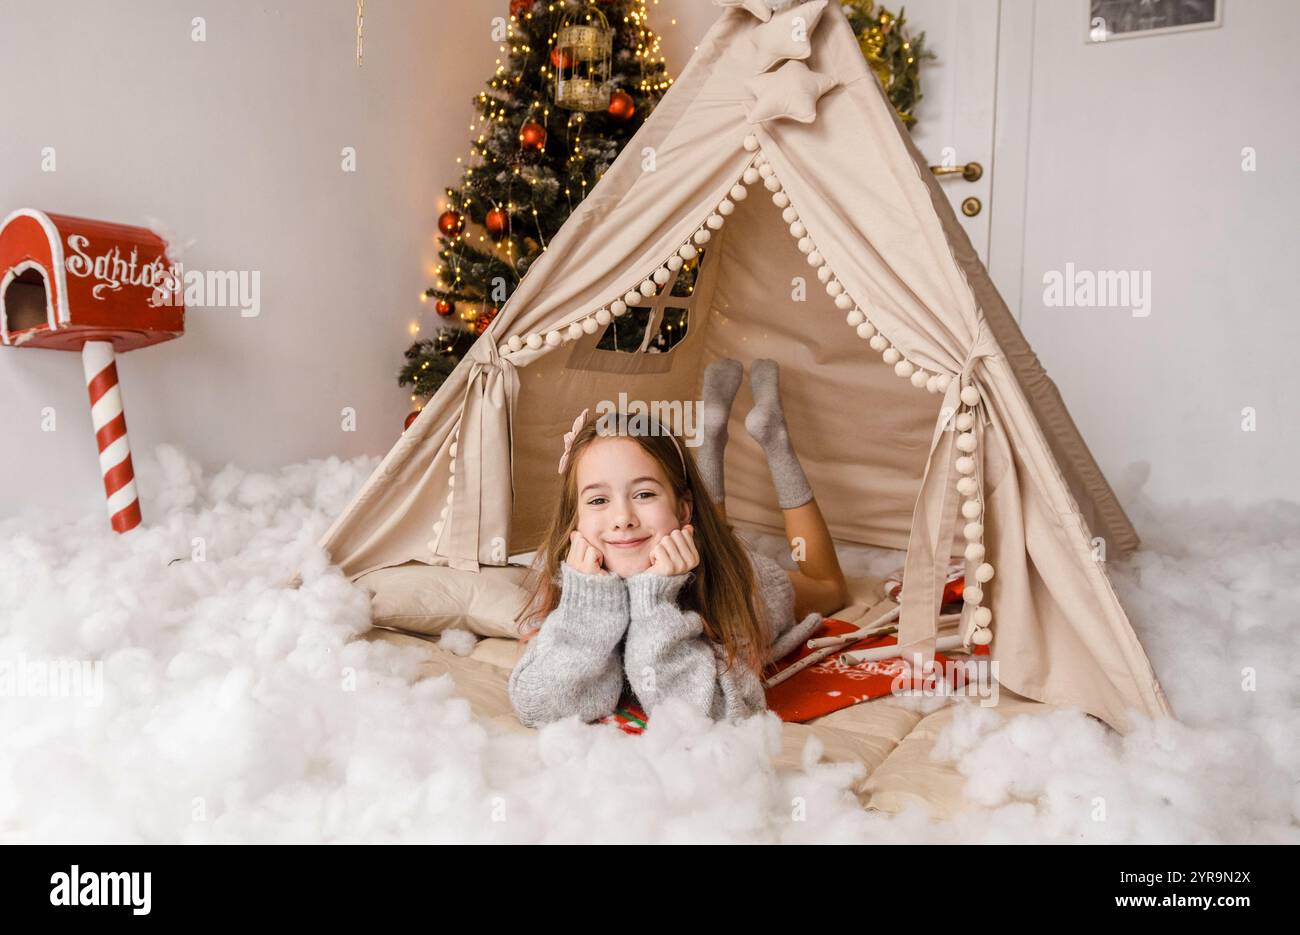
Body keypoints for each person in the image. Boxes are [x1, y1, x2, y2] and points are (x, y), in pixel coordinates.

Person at [508, 358, 849, 728]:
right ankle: (711, 432)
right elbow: (536, 706)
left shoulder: (736, 591)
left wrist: (655, 602)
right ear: (575, 519)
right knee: (685, 524)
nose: (622, 518)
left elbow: (716, 716)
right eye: (598, 500)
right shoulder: (577, 580)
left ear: (685, 511)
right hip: (680, 535)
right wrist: (586, 606)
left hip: (739, 572)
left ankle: (775, 440)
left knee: (829, 586)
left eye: (643, 494)